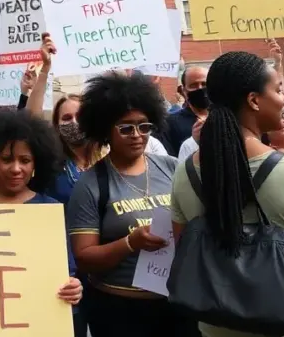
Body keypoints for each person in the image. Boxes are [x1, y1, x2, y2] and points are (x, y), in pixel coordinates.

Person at [170, 51, 284, 337]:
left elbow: (186, 249)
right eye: (277, 90)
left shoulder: (184, 173)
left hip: (219, 325)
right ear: (253, 100)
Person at [68, 71, 192, 337]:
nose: (137, 135)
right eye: (126, 128)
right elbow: (84, 257)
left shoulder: (172, 168)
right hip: (118, 311)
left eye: (144, 126)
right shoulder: (91, 184)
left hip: (176, 304)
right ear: (105, 130)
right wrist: (130, 243)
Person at [0, 108, 83, 309]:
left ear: (37, 163)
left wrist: (74, 287)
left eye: (25, 160)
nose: (15, 168)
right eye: (6, 159)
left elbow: (66, 272)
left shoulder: (50, 210)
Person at [161, 65, 208, 155]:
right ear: (184, 90)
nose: (200, 89)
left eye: (204, 84)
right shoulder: (169, 123)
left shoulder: (226, 116)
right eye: (193, 85)